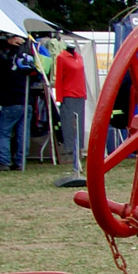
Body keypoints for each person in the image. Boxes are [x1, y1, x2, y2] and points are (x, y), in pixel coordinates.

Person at [0, 35, 35, 170]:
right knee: (23, 133)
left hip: (11, 101)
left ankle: (5, 162)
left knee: (4, 132)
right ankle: (21, 162)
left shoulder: (6, 59)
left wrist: (6, 41)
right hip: (27, 100)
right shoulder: (28, 59)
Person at [51, 43, 88, 176]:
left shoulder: (79, 57)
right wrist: (59, 98)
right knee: (70, 126)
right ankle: (73, 156)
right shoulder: (62, 58)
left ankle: (78, 156)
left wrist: (84, 94)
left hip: (80, 95)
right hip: (69, 95)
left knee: (79, 126)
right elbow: (59, 79)